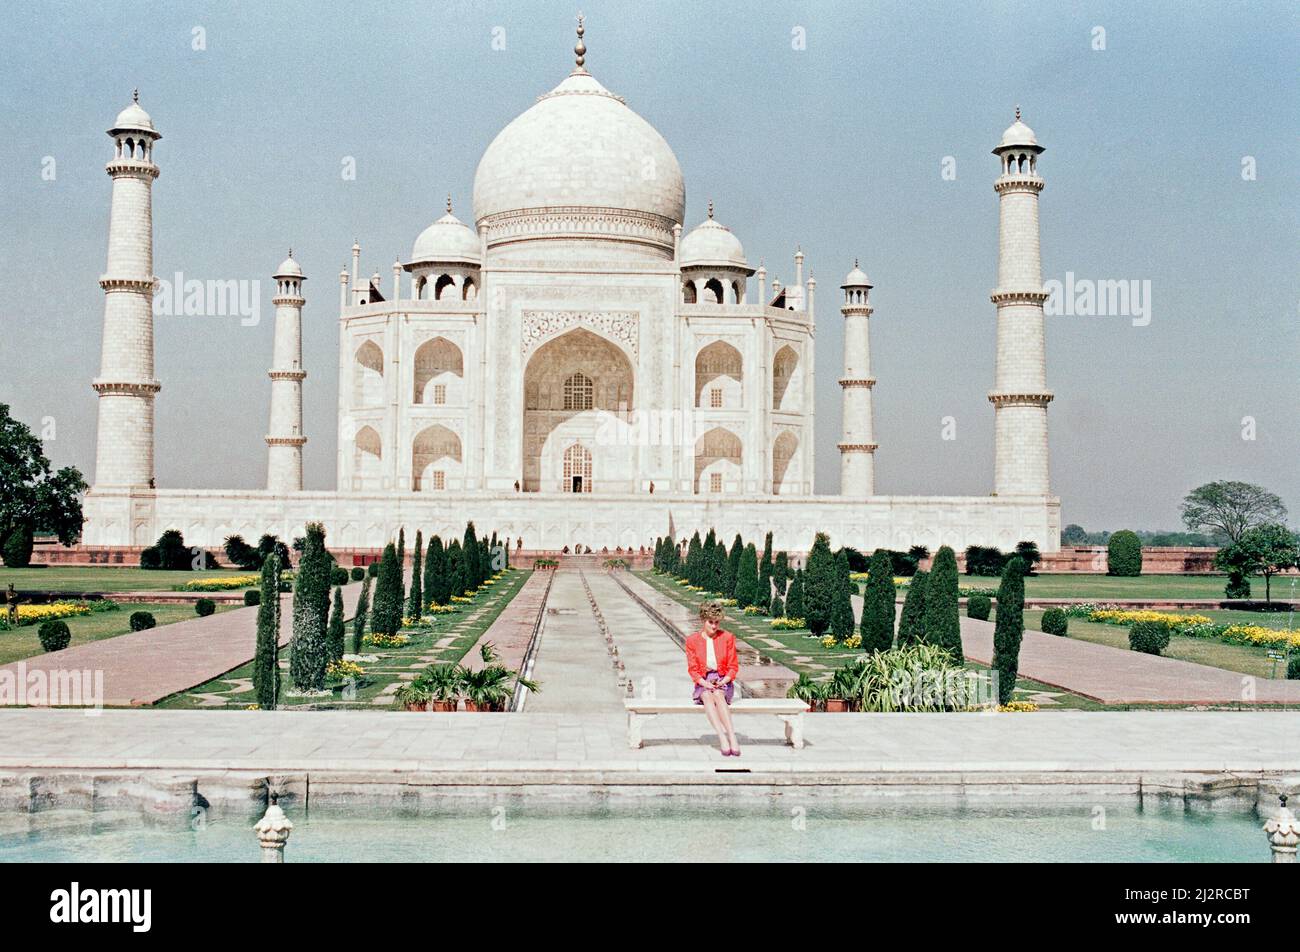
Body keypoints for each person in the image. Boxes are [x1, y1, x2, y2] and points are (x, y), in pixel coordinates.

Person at [685, 599, 740, 756]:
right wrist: (704, 683)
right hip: (703, 680)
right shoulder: (692, 641)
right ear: (703, 619)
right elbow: (693, 669)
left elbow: (733, 667)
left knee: (718, 694)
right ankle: (721, 737)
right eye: (711, 622)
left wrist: (723, 681)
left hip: (723, 680)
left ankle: (732, 736)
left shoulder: (727, 637)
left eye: (717, 622)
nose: (714, 626)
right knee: (708, 695)